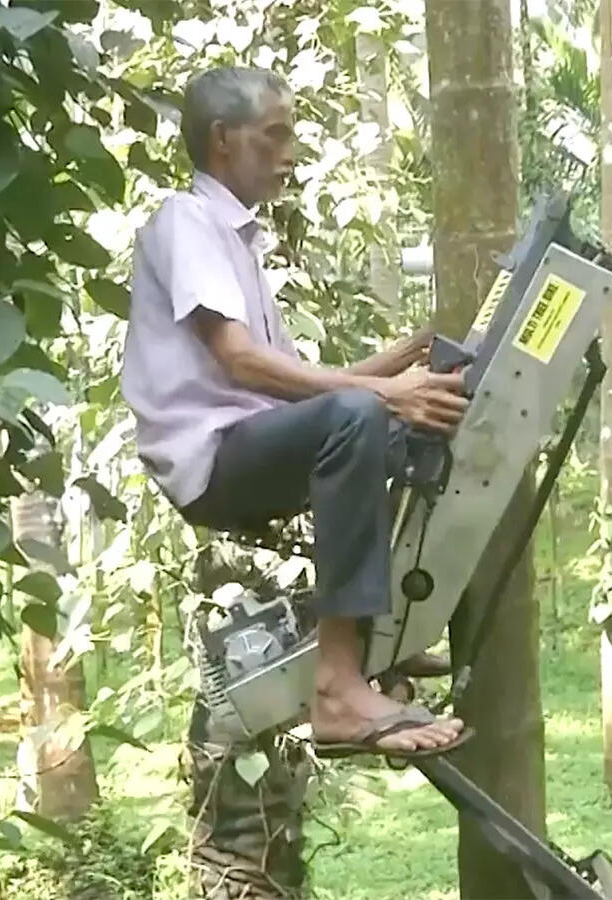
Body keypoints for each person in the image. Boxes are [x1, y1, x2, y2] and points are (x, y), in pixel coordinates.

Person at [120, 65, 471, 759]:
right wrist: (386, 392)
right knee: (362, 417)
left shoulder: (237, 241)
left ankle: (378, 634)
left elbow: (299, 387)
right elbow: (242, 364)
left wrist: (408, 357)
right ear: (223, 139)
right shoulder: (188, 221)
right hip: (211, 458)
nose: (290, 155)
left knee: (402, 425)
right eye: (274, 136)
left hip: (248, 434)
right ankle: (337, 687)